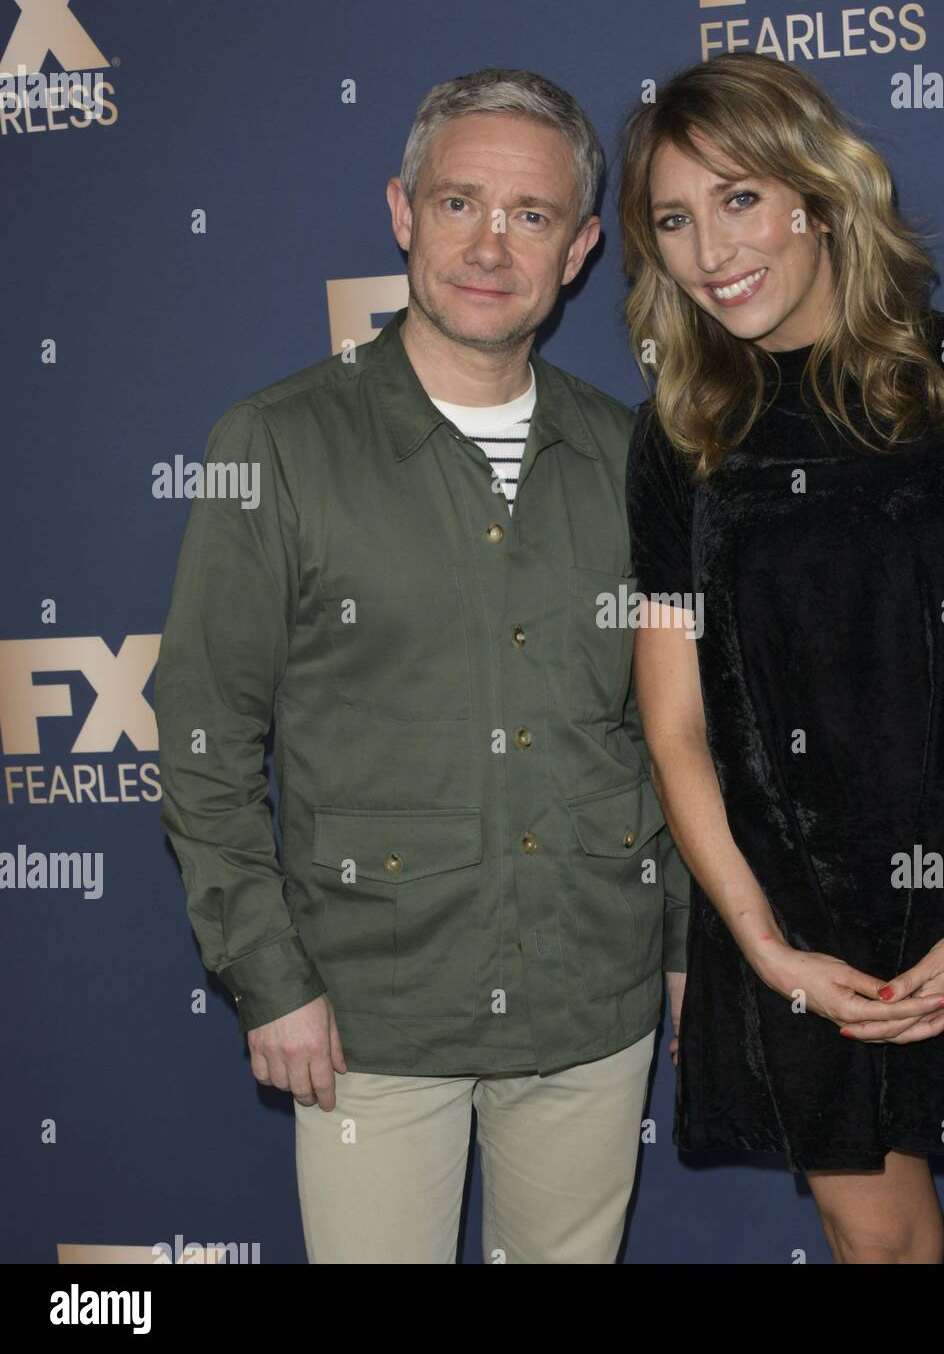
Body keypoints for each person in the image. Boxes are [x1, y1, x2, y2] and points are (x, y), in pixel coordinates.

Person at [619, 52, 944, 1264]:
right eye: (673, 219)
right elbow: (675, 727)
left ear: (816, 193)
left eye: (740, 197)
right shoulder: (679, 446)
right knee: (883, 1253)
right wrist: (763, 951)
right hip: (804, 935)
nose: (710, 250)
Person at [155, 68, 690, 1264]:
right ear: (402, 212)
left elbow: (672, 733)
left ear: (583, 246)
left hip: (589, 1001)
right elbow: (202, 735)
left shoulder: (633, 457)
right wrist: (268, 972)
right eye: (459, 204)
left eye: (531, 215)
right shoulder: (277, 445)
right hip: (367, 1012)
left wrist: (685, 948)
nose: (490, 246)